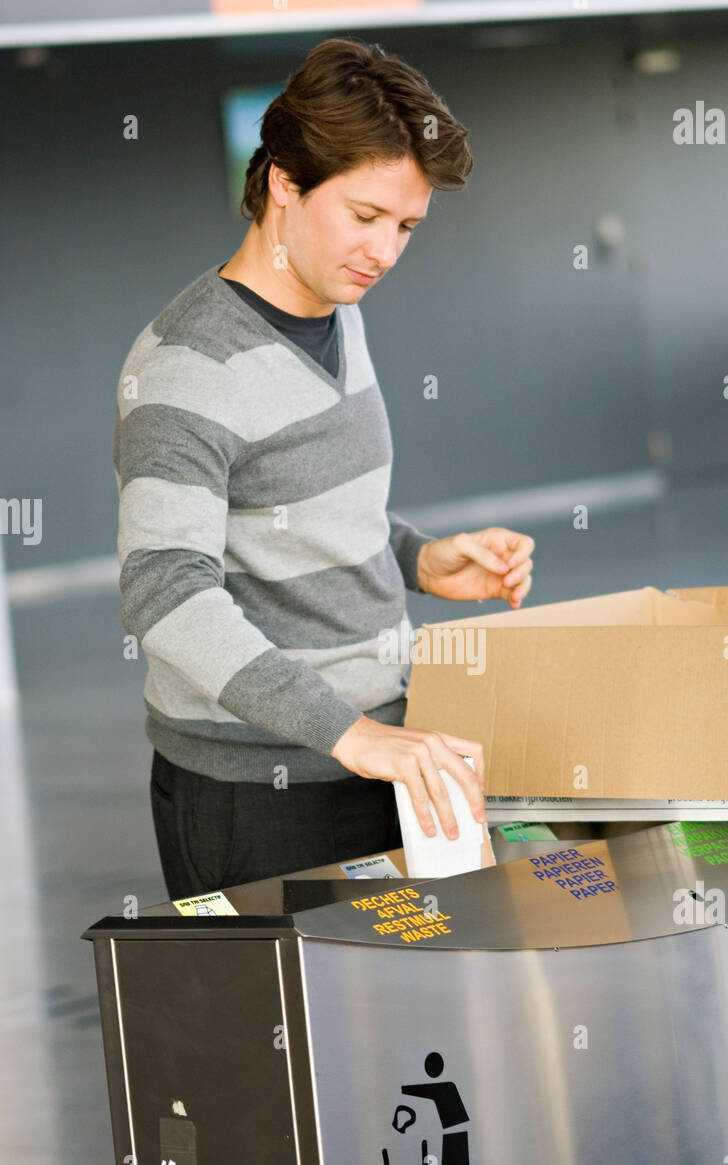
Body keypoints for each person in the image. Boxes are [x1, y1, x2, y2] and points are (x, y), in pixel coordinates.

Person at [113, 37, 534, 900]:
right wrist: (350, 734)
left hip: (379, 754)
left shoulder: (340, 310)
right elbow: (164, 592)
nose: (385, 252)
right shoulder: (187, 368)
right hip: (258, 793)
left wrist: (419, 558)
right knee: (283, 998)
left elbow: (295, 508)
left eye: (405, 227)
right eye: (365, 215)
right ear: (284, 183)